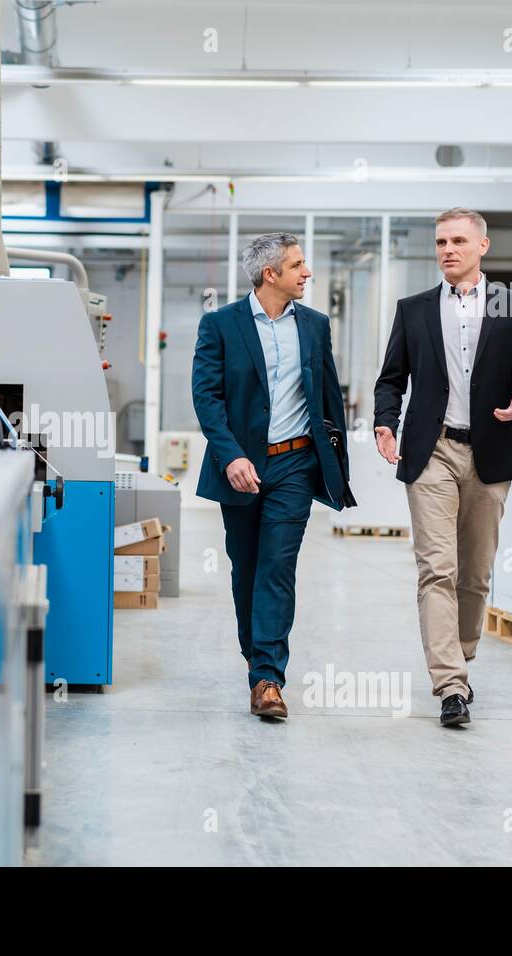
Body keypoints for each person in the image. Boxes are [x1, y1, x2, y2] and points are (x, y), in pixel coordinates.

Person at [373, 207, 512, 727]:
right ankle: (450, 682)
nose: (447, 250)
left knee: (474, 574)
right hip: (433, 451)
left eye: (457, 241)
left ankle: (462, 655)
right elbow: (391, 378)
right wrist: (386, 422)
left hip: (491, 453)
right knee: (437, 569)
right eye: (441, 242)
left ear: (482, 247)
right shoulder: (414, 309)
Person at [192, 233, 353, 720]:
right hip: (241, 465)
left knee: (277, 568)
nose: (307, 273)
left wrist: (334, 460)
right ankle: (255, 658)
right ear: (270, 274)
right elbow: (207, 398)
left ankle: (268, 678)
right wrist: (231, 456)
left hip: (295, 464)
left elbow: (327, 395)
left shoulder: (315, 325)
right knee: (246, 568)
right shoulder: (220, 325)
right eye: (298, 265)